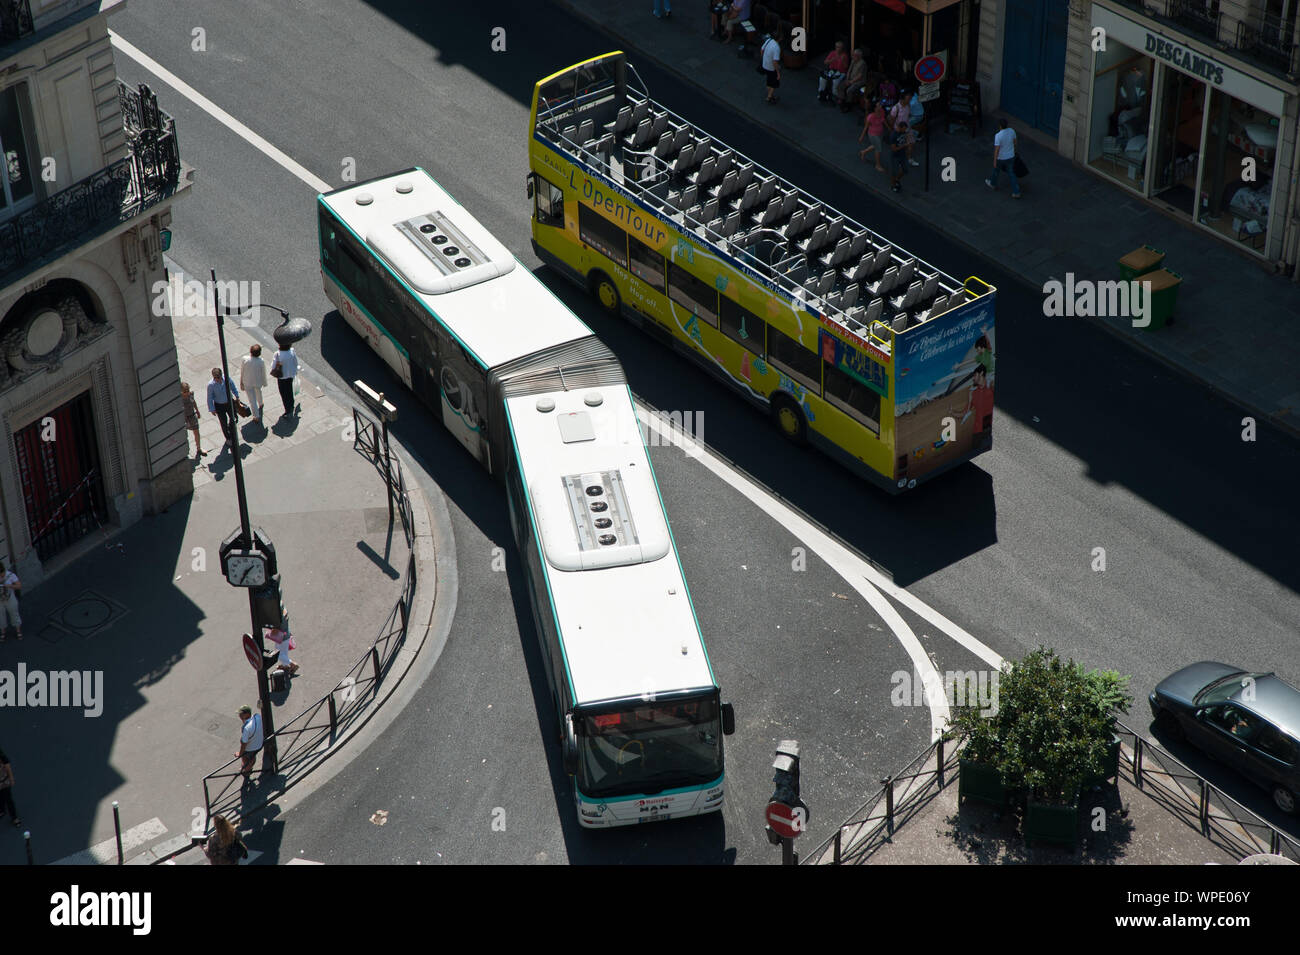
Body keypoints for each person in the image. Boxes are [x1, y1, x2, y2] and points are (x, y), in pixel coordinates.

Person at [985, 117, 1022, 198]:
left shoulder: (998, 136)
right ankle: (1016, 192)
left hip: (1001, 158)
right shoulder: (1012, 131)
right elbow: (1015, 142)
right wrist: (1014, 151)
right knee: (1011, 173)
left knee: (996, 171)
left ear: (1000, 126)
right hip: (1011, 156)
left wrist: (994, 160)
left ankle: (993, 184)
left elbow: (997, 150)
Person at [206, 367, 240, 445]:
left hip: (229, 402)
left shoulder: (226, 378)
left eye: (218, 377)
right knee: (223, 422)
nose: (217, 379)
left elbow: (233, 386)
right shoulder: (211, 385)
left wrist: (237, 396)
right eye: (215, 377)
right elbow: (209, 397)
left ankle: (230, 428)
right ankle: (228, 437)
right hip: (219, 405)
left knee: (235, 417)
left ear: (221, 375)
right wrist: (212, 409)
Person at [965, 365, 994, 451]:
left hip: (988, 428)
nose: (973, 378)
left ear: (981, 373)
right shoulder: (973, 393)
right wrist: (952, 412)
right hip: (978, 432)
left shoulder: (990, 386)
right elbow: (966, 411)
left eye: (974, 375)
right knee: (976, 451)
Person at [239, 344, 267, 424]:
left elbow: (242, 371)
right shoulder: (261, 361)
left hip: (247, 382)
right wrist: (264, 382)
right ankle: (261, 403)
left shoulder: (245, 359)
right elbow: (263, 373)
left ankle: (256, 416)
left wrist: (241, 382)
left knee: (252, 400)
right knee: (259, 392)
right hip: (257, 381)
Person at [270, 344, 299, 418]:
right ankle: (291, 404)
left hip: (281, 376)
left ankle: (287, 409)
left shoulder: (277, 354)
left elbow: (273, 366)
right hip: (290, 375)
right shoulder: (292, 351)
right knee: (289, 390)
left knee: (283, 393)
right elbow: (296, 363)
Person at [858, 100, 887, 172]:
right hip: (873, 134)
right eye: (878, 106)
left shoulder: (882, 111)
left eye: (880, 105)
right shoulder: (871, 116)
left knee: (875, 145)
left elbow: (883, 120)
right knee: (878, 149)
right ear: (875, 108)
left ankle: (863, 152)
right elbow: (866, 127)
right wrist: (861, 136)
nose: (880, 106)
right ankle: (877, 165)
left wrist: (889, 128)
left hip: (880, 133)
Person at [237, 704, 263, 780]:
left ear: (247, 714)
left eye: (241, 714)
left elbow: (244, 743)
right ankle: (247, 767)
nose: (239, 715)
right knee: (252, 756)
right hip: (259, 743)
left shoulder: (247, 728)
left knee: (246, 758)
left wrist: (240, 754)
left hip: (252, 747)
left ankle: (246, 771)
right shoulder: (257, 717)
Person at [759, 15, 781, 105]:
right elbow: (775, 61)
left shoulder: (769, 41)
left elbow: (762, 50)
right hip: (771, 68)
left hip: (765, 64)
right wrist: (778, 71)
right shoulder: (776, 47)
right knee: (774, 83)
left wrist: (763, 58)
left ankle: (770, 95)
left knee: (769, 80)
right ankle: (769, 97)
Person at [180, 382, 205, 458]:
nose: (187, 393)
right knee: (182, 435)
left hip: (192, 415)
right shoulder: (179, 398)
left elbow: (193, 401)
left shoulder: (191, 394)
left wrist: (197, 410)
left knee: (196, 432)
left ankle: (199, 448)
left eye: (187, 390)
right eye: (185, 392)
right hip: (183, 418)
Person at [837, 48, 867, 112]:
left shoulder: (862, 64)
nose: (853, 56)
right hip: (850, 79)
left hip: (859, 81)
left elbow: (860, 76)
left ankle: (848, 105)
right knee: (841, 85)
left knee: (849, 90)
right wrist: (847, 79)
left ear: (858, 56)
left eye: (854, 55)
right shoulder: (853, 61)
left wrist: (851, 82)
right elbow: (849, 70)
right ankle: (841, 100)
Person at [0, 562, 21, 642]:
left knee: (14, 613)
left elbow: (19, 586)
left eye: (2, 574)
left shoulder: (10, 575)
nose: (1, 576)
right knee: (0, 617)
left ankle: (18, 631)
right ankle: (3, 632)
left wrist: (10, 586)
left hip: (10, 598)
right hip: (0, 601)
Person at [888, 120, 910, 193]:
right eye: (904, 129)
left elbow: (906, 137)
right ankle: (893, 185)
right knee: (894, 172)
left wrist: (907, 141)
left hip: (902, 154)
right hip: (895, 156)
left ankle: (897, 179)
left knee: (905, 169)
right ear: (900, 128)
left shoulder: (903, 132)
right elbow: (894, 149)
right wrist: (904, 145)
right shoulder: (893, 136)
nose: (905, 130)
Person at [0, 748, 19, 827]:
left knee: (8, 799)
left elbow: (7, 766)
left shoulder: (1, 756)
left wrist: (11, 778)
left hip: (4, 782)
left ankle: (14, 818)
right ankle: (2, 810)